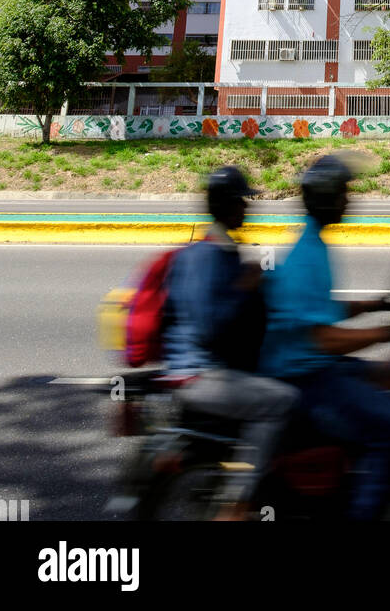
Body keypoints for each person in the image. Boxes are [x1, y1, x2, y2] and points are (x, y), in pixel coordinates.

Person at [258, 154, 390, 520]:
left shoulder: (312, 243)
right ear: (327, 198)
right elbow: (324, 338)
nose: (349, 200)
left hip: (316, 367)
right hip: (307, 379)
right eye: (343, 193)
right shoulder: (307, 257)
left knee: (388, 381)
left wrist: (381, 303)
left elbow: (324, 310)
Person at [161, 165, 298, 520]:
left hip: (201, 368)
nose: (247, 210)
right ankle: (237, 502)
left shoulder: (213, 251)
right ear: (226, 205)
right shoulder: (210, 257)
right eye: (241, 203)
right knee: (281, 402)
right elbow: (212, 326)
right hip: (200, 375)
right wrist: (247, 287)